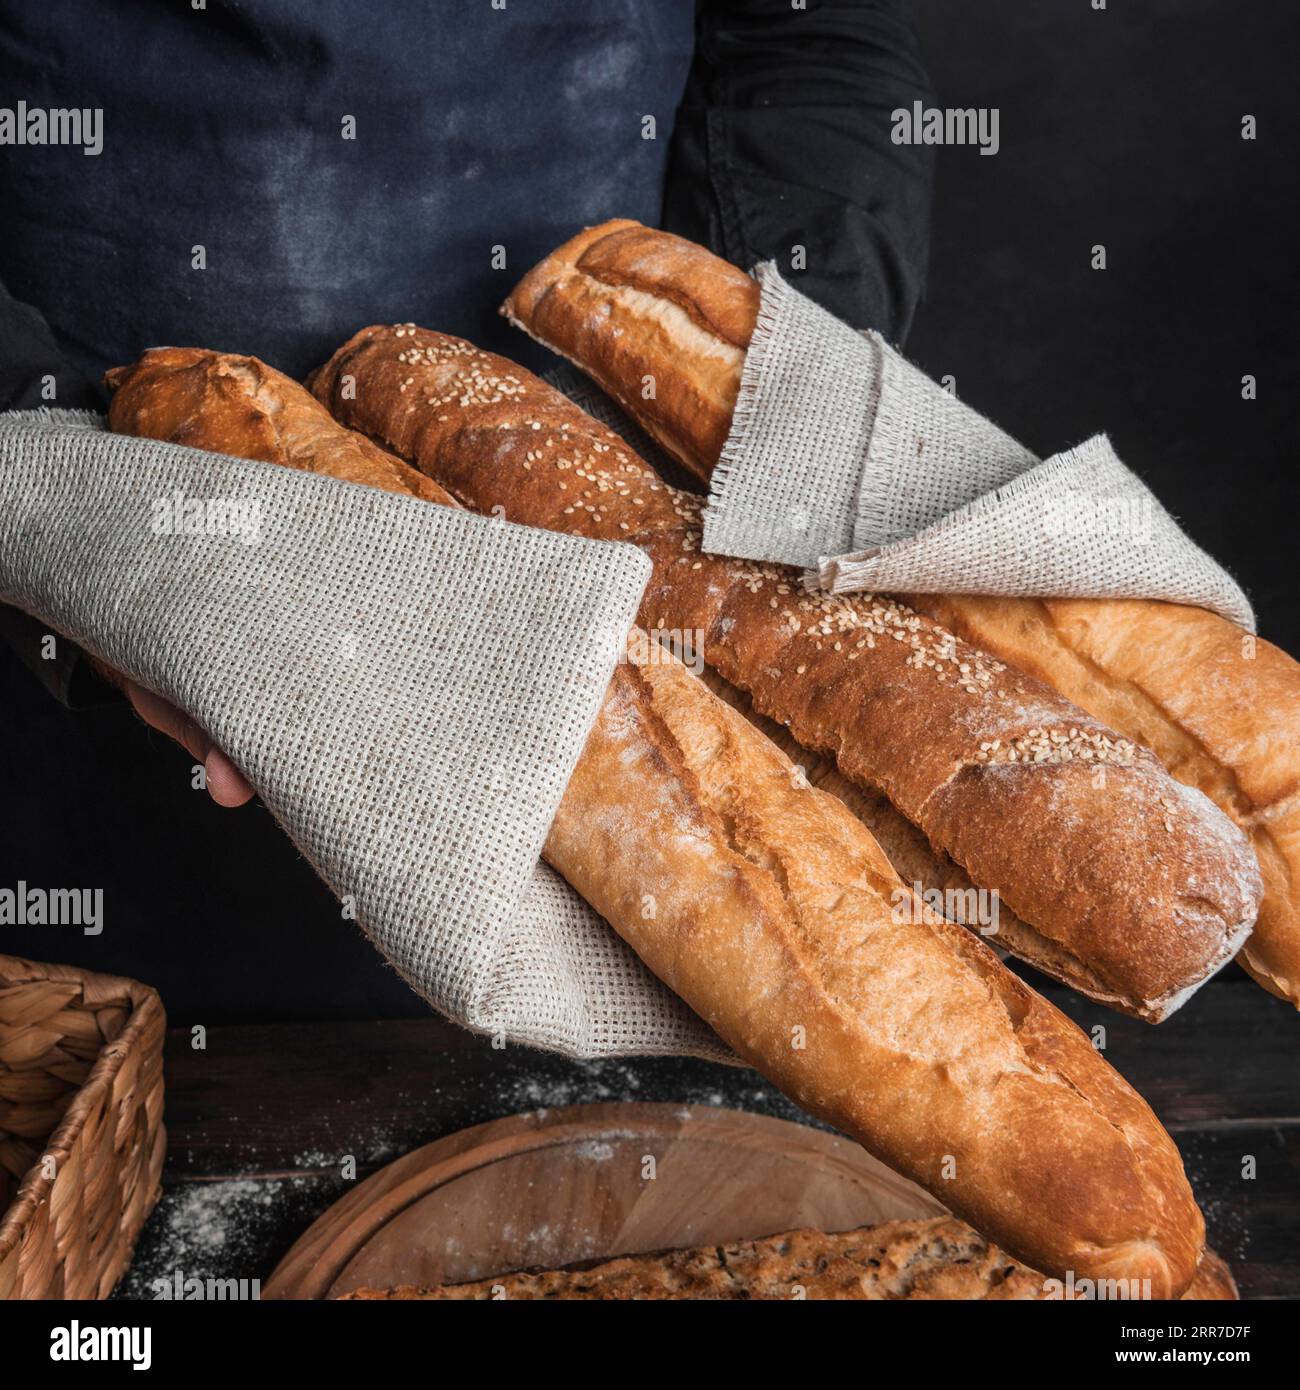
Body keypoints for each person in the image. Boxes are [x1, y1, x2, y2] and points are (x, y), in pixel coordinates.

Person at [0, 0, 933, 1011]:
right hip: (117, 548)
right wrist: (59, 499)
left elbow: (811, 30)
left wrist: (777, 389)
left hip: (627, 530)